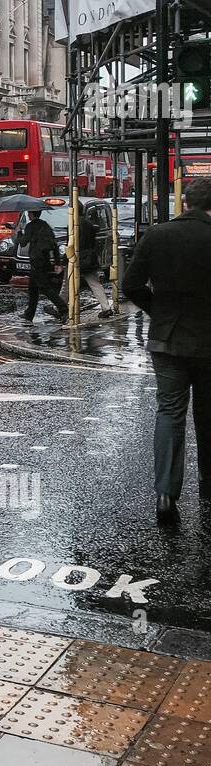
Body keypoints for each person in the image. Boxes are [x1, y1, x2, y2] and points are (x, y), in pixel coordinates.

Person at [123, 177, 211, 523]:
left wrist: (158, 311)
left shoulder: (157, 235)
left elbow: (130, 284)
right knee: (208, 413)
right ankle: (208, 484)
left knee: (170, 413)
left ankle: (165, 494)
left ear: (185, 202)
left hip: (167, 339)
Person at [22, 208, 68, 322]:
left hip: (36, 260)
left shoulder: (30, 226)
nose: (28, 214)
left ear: (31, 213)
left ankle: (63, 309)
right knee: (32, 288)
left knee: (45, 288)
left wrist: (19, 234)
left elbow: (23, 242)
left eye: (29, 212)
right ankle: (29, 313)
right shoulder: (45, 225)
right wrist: (58, 262)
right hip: (45, 260)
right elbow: (54, 244)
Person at [79, 205, 112, 317]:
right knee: (94, 283)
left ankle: (62, 308)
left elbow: (74, 243)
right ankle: (106, 307)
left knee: (68, 283)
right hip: (89, 257)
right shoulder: (88, 224)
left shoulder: (75, 224)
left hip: (79, 257)